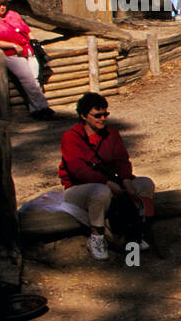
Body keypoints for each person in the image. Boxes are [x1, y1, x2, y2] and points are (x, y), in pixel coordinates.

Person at [59, 92, 156, 261]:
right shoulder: (71, 137)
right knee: (101, 191)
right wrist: (107, 183)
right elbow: (78, 170)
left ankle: (136, 233)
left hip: (111, 182)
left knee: (145, 184)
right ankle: (96, 237)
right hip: (79, 188)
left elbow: (122, 159)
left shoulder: (111, 133)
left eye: (105, 114)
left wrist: (126, 179)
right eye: (97, 115)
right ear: (83, 116)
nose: (102, 118)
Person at [0, 0, 53, 119]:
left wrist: (36, 44)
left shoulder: (13, 15)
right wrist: (12, 45)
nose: (1, 8)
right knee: (28, 80)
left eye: (3, 4)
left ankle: (35, 109)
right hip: (12, 54)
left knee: (35, 79)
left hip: (28, 49)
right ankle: (43, 106)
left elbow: (27, 30)